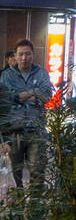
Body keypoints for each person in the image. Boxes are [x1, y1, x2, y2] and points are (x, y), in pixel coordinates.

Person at [0, 39, 54, 192]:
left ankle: (36, 205)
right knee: (15, 172)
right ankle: (18, 204)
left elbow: (47, 95)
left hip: (36, 130)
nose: (24, 58)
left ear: (33, 55)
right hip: (14, 131)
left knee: (37, 170)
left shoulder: (42, 73)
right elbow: (5, 100)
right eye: (21, 54)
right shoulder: (7, 75)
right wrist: (33, 92)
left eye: (28, 54)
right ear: (15, 56)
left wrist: (19, 95)